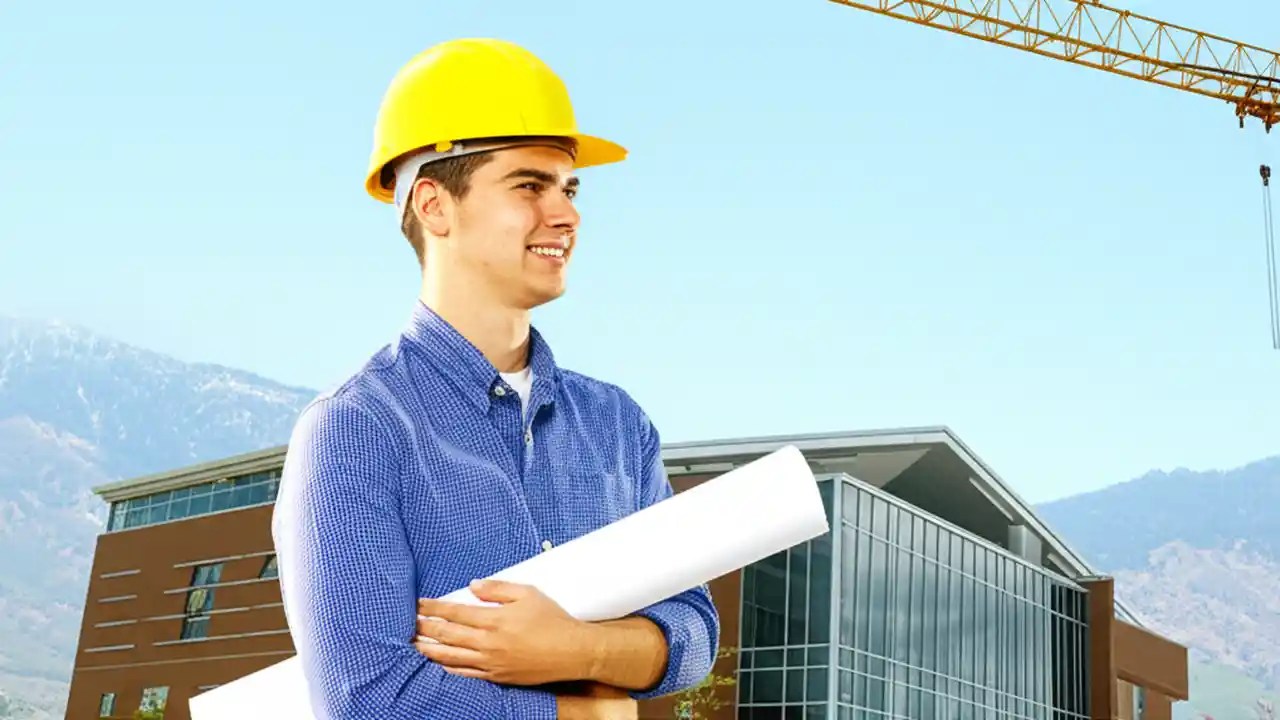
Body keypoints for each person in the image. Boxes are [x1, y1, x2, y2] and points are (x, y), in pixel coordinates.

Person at [271, 38, 720, 720]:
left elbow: (693, 634)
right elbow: (366, 697)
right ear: (434, 206)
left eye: (569, 188)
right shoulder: (356, 428)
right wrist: (584, 713)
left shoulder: (617, 424)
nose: (566, 215)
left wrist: (575, 650)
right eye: (529, 186)